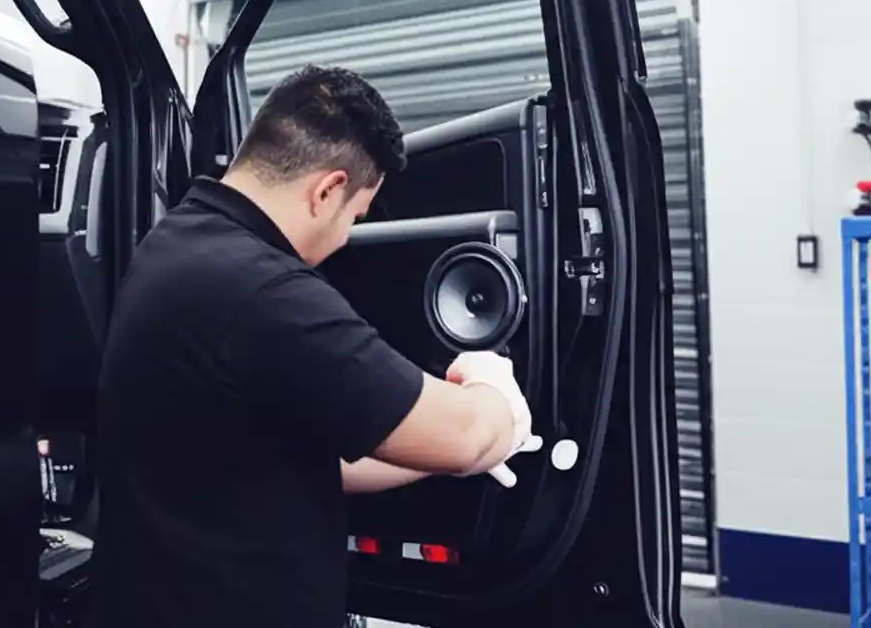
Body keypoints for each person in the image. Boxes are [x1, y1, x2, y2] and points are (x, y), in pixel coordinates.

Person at [87, 65, 537, 628]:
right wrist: (494, 395)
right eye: (355, 215)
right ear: (327, 190)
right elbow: (467, 436)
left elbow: (323, 455)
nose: (347, 237)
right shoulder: (264, 291)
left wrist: (440, 456)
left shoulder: (176, 244)